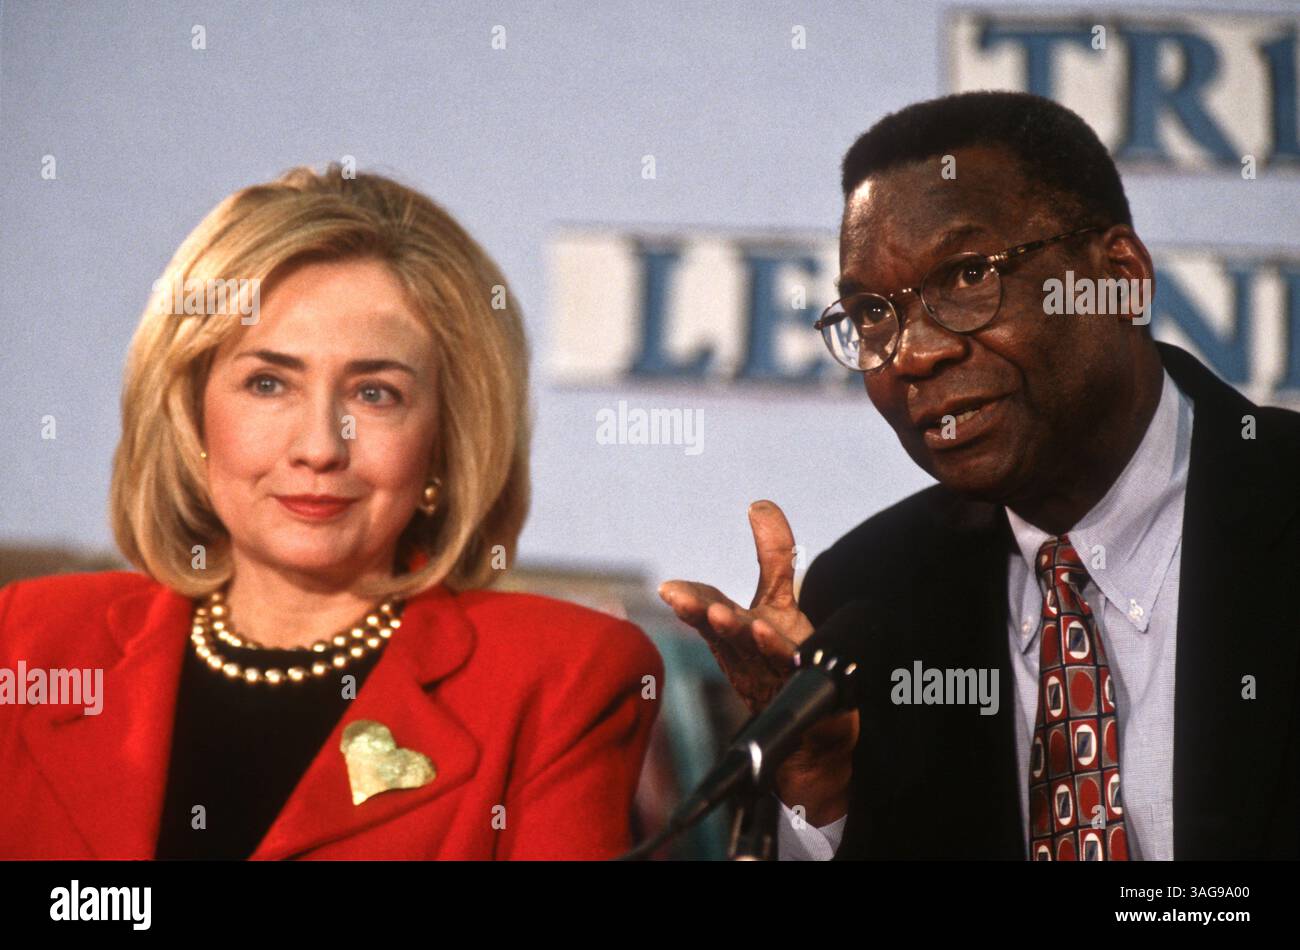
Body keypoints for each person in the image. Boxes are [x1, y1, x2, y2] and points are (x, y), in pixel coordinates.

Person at [660, 91, 1300, 860]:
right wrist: (817, 788)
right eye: (870, 313)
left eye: (967, 276)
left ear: (1120, 276)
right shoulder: (871, 602)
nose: (916, 353)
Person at [0, 164, 661, 860]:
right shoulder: (31, 642)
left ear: (445, 440)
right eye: (267, 383)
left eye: (375, 394)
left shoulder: (558, 678)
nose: (320, 446)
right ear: (192, 416)